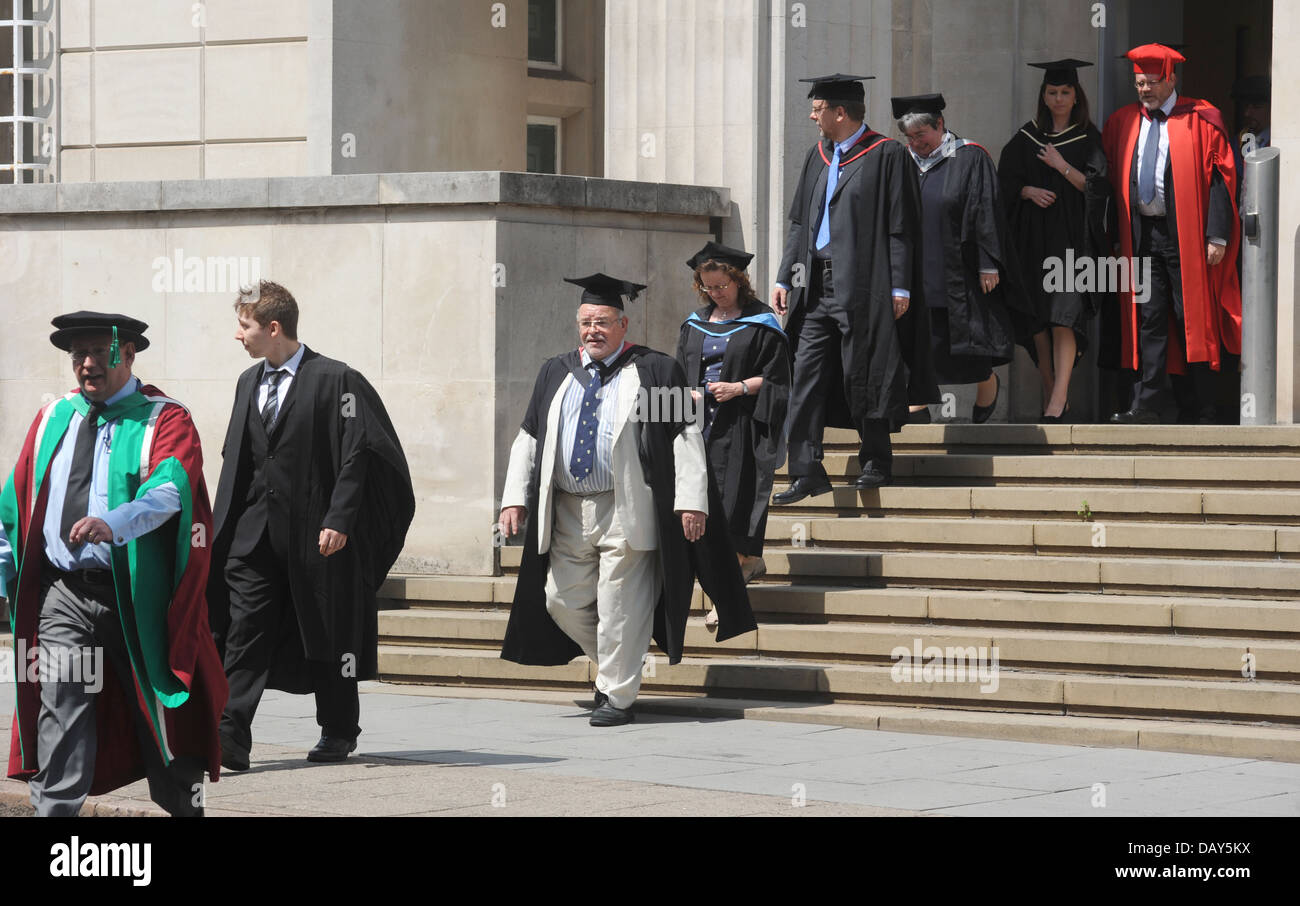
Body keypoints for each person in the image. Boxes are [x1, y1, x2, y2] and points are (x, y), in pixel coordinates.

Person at [498, 273, 754, 726]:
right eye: (585, 322)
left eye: (602, 321)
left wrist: (692, 500)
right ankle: (620, 665)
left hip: (627, 505)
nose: (592, 330)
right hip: (567, 510)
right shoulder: (557, 372)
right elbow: (529, 439)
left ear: (623, 324)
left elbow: (683, 437)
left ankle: (616, 696)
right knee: (560, 599)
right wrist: (513, 498)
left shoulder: (653, 371)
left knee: (620, 602)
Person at [0, 312, 227, 816]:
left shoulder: (164, 418)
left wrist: (116, 521)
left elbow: (170, 487)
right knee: (60, 713)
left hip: (139, 600)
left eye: (99, 353)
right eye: (77, 354)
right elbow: (15, 501)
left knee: (162, 718)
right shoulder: (52, 418)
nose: (86, 364)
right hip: (65, 597)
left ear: (127, 355)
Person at [207, 281, 415, 769]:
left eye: (245, 325)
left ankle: (338, 730)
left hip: (316, 536)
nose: (238, 336)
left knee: (327, 631)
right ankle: (230, 737)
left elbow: (361, 452)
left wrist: (340, 517)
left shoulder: (337, 380)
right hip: (253, 535)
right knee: (244, 631)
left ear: (273, 327)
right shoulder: (247, 382)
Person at [772, 73, 936, 503]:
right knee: (805, 373)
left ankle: (876, 460)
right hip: (817, 287)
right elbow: (798, 224)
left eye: (818, 108)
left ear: (840, 113)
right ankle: (807, 469)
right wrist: (784, 276)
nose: (812, 116)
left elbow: (902, 228)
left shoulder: (887, 156)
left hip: (867, 285)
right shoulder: (817, 156)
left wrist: (900, 286)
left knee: (865, 371)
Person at [1101, 43, 1240, 424]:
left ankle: (1204, 407)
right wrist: (1115, 237)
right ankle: (1145, 405)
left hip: (1189, 238)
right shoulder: (1122, 122)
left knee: (1191, 317)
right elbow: (1114, 183)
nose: (1144, 89)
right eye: (1139, 83)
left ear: (1171, 79)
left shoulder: (1201, 118)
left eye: (1151, 82)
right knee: (1150, 319)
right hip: (1142, 238)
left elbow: (1220, 181)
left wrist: (1217, 235)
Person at [895, 93, 1033, 424]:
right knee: (921, 340)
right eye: (909, 138)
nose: (916, 144)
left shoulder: (970, 157)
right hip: (917, 266)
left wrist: (987, 262)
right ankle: (917, 403)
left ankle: (988, 382)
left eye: (921, 136)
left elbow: (986, 210)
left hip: (959, 268)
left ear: (940, 125)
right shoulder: (904, 162)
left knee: (964, 345)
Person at [675, 241, 791, 627]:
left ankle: (728, 590)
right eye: (708, 287)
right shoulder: (694, 323)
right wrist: (683, 394)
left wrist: (739, 387)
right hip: (698, 427)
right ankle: (741, 570)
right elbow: (677, 372)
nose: (715, 293)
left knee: (730, 508)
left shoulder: (762, 323)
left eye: (721, 285)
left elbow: (779, 380)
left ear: (739, 281)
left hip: (741, 426)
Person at [999, 60, 1112, 422]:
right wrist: (1027, 190)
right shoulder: (1025, 138)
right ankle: (1052, 392)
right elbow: (1004, 186)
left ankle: (1058, 396)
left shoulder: (1087, 137)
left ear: (1076, 96)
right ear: (1043, 96)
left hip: (1071, 242)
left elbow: (1097, 189)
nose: (1059, 98)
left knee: (1065, 316)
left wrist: (1060, 165)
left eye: (1065, 92)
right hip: (1032, 241)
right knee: (1037, 321)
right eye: (1053, 92)